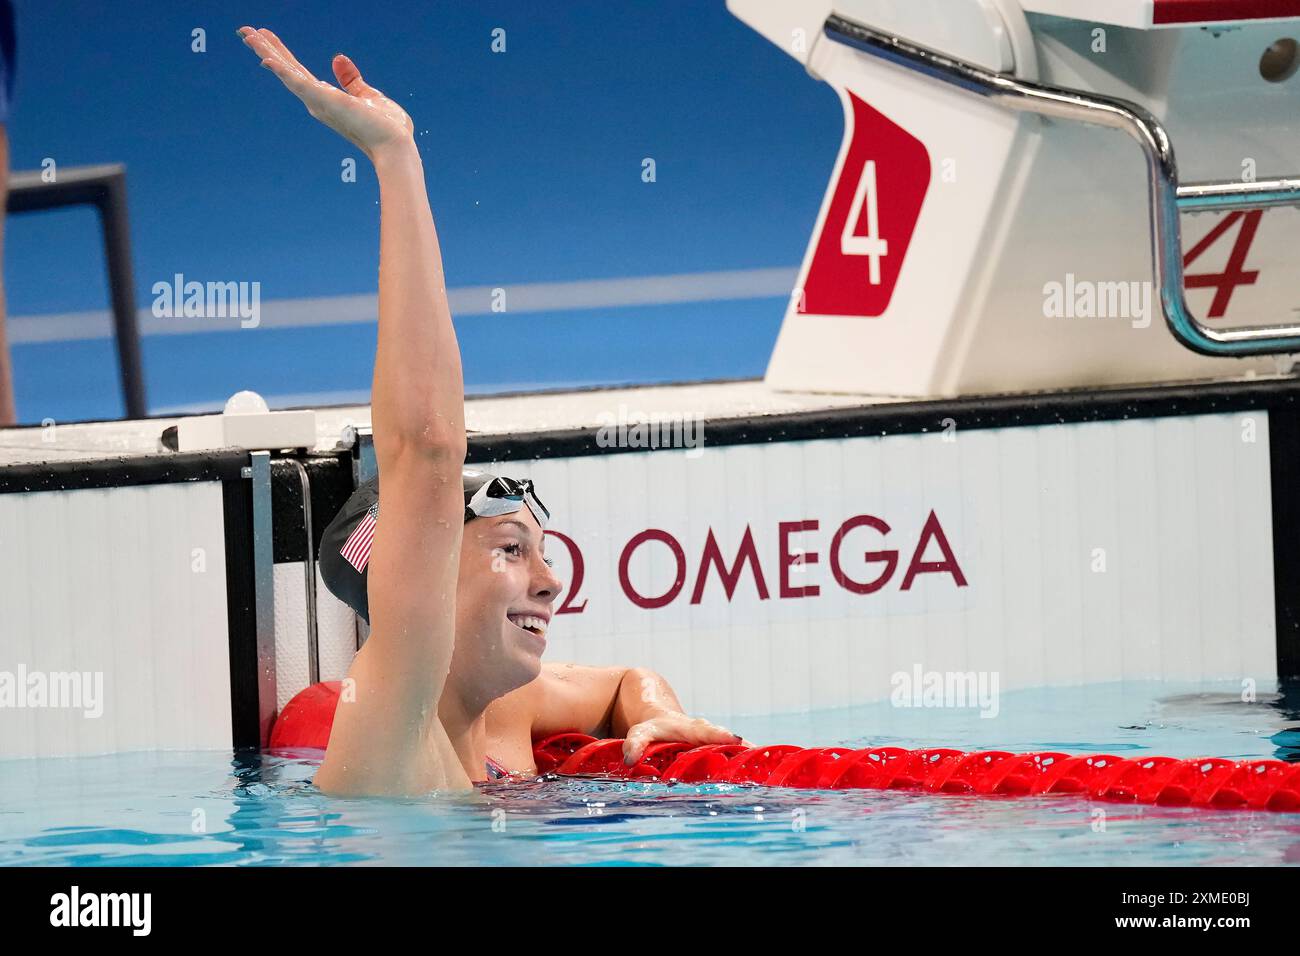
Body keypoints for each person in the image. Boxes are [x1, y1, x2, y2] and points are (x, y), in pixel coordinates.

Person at [239, 27, 741, 796]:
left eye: (537, 552)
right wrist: (395, 158)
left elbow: (623, 683)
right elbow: (426, 446)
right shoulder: (392, 738)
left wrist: (658, 712)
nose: (550, 582)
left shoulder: (507, 708)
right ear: (422, 574)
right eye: (511, 550)